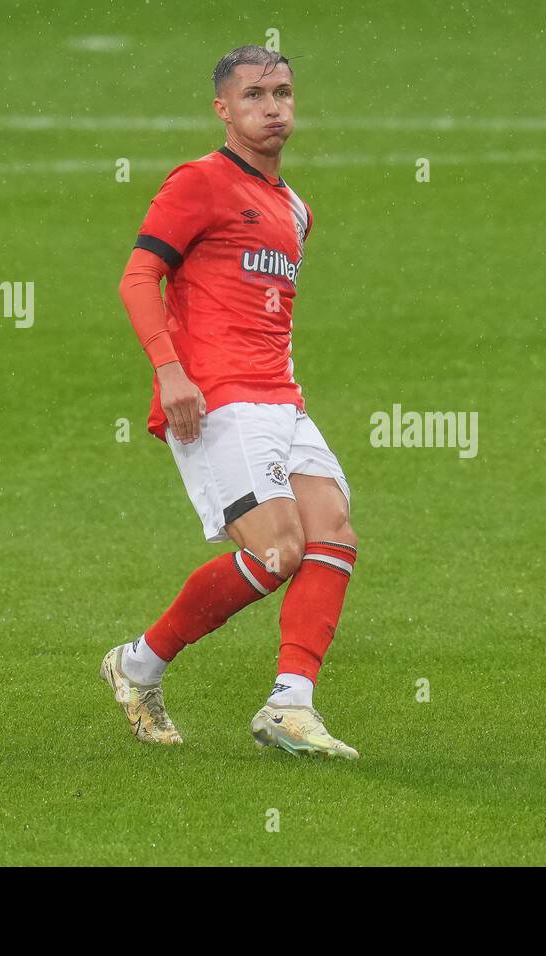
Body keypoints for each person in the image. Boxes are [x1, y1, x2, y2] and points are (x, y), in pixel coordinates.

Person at [102, 45, 359, 759]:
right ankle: (138, 662)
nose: (272, 107)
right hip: (216, 399)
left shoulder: (295, 209)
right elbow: (137, 278)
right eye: (253, 96)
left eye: (282, 92)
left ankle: (290, 704)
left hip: (282, 398)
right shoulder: (199, 183)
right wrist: (170, 372)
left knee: (333, 531)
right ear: (223, 109)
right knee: (280, 551)